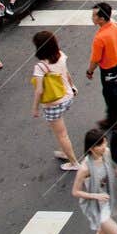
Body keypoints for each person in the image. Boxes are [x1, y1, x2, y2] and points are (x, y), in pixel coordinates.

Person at [30, 30, 80, 171]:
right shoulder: (61, 55)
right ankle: (65, 152)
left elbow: (39, 90)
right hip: (68, 96)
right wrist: (73, 86)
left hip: (53, 104)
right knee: (62, 131)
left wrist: (35, 108)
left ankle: (74, 162)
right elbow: (67, 74)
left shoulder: (40, 67)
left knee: (61, 135)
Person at [85, 2, 117, 127]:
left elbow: (96, 59)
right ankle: (112, 120)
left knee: (114, 98)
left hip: (108, 72)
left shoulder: (100, 38)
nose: (92, 18)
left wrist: (90, 71)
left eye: (94, 15)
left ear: (102, 19)